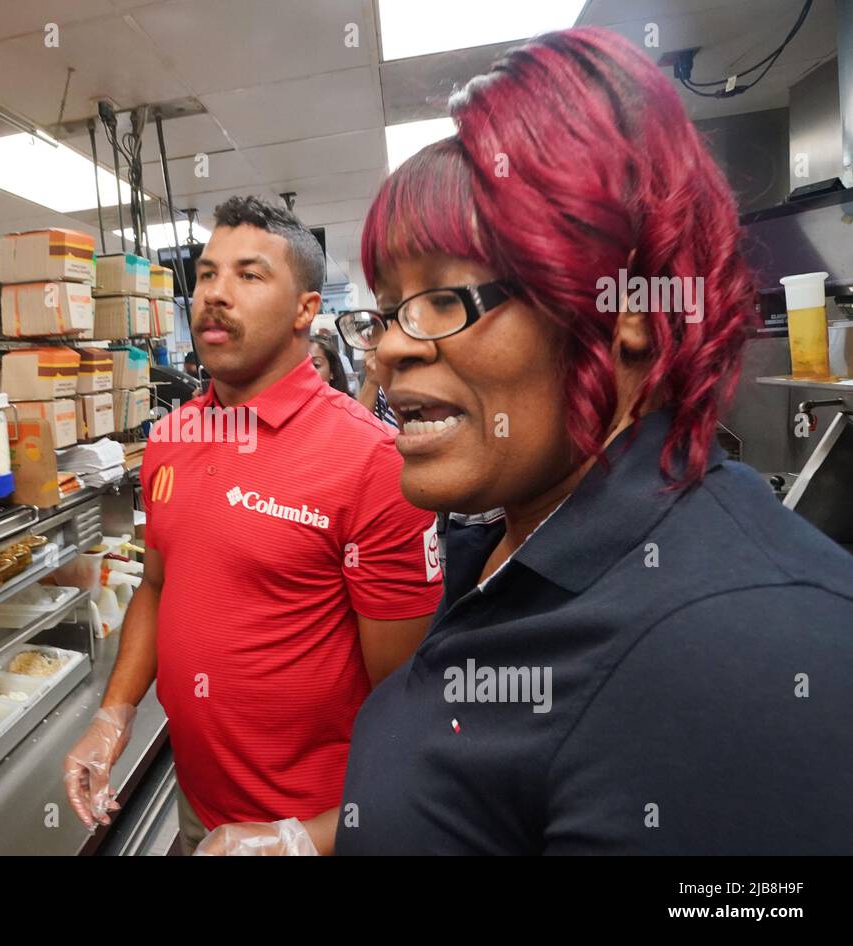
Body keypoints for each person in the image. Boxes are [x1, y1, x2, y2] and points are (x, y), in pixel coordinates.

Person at [200, 26, 853, 855]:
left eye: (445, 297)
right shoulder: (508, 539)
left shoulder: (747, 657)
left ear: (630, 313)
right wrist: (310, 843)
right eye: (388, 306)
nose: (392, 345)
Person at [63, 195, 444, 855]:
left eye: (249, 274)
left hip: (322, 826)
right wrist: (114, 712)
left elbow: (410, 705)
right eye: (207, 274)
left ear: (305, 309)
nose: (215, 293)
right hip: (201, 809)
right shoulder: (172, 437)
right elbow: (157, 586)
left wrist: (301, 840)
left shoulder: (372, 462)